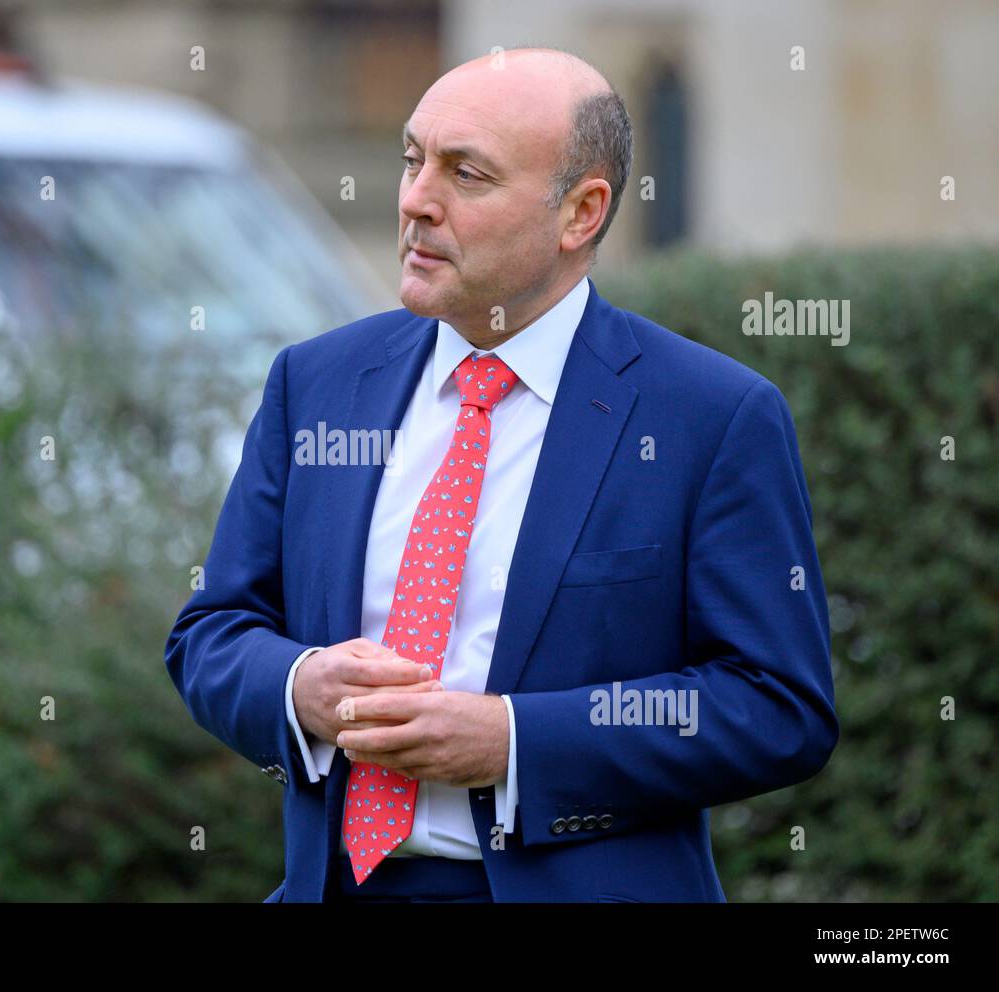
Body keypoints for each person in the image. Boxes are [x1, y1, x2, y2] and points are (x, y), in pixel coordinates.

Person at [164, 46, 838, 903]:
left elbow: (779, 707)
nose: (415, 200)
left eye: (466, 174)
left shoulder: (709, 417)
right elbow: (213, 631)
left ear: (581, 212)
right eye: (412, 159)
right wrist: (302, 689)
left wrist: (515, 742)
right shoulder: (318, 383)